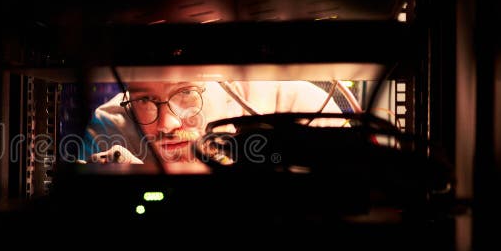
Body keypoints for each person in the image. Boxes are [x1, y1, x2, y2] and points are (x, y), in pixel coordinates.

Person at [83, 80, 344, 166]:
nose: (168, 124)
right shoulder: (111, 124)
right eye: (145, 99)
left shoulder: (298, 102)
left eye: (185, 93)